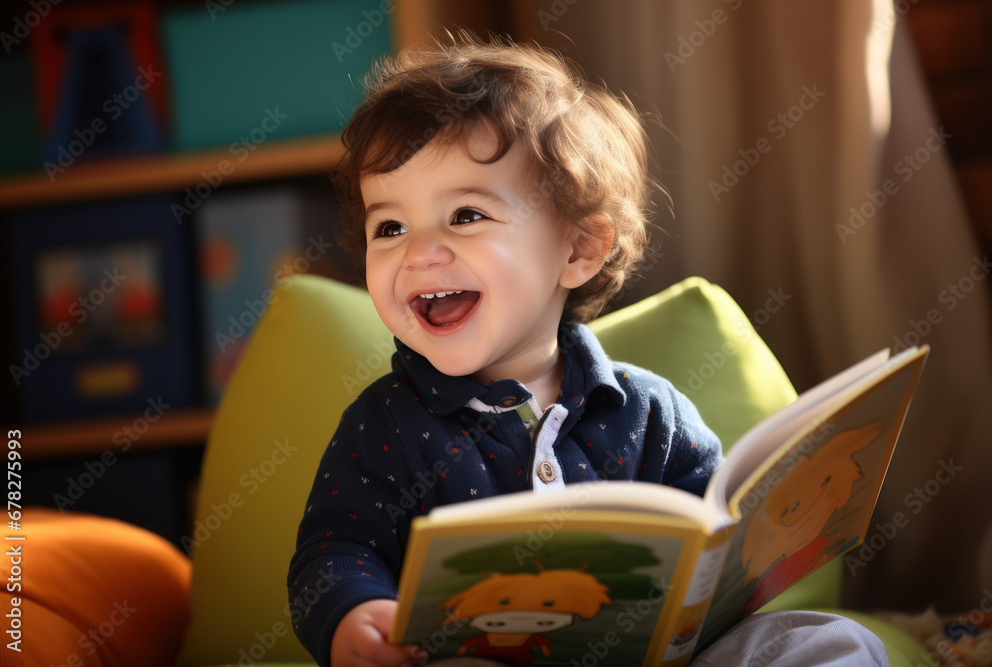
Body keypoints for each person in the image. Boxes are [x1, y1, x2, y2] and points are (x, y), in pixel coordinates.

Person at [287, 35, 887, 667]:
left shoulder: (650, 410)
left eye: (465, 215)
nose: (417, 252)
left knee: (833, 640)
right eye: (391, 227)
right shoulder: (385, 424)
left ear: (578, 250)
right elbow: (332, 551)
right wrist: (356, 615)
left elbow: (718, 536)